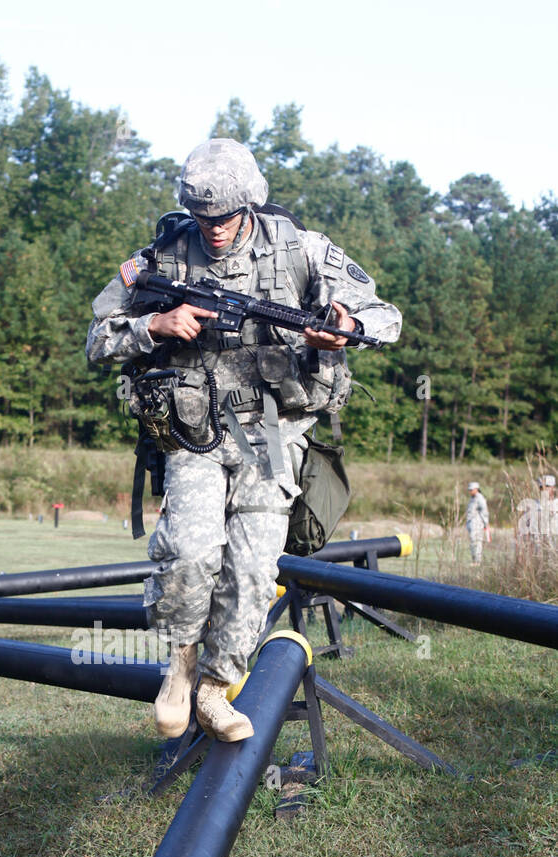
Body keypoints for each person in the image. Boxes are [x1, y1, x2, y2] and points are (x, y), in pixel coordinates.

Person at [86, 138, 401, 741]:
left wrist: (348, 328)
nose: (216, 231)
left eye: (226, 219)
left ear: (251, 204)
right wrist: (154, 324)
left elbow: (386, 315)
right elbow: (97, 337)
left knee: (254, 570)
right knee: (191, 552)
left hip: (270, 434)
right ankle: (178, 669)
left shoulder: (301, 250)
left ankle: (215, 687)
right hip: (194, 428)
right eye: (205, 220)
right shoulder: (161, 256)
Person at [465, 482, 490, 565]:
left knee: (477, 542)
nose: (470, 491)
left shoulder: (480, 498)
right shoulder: (473, 498)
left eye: (471, 490)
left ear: (476, 489)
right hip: (471, 523)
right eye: (469, 490)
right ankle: (474, 560)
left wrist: (485, 523)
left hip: (477, 524)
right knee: (473, 542)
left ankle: (477, 562)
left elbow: (484, 511)